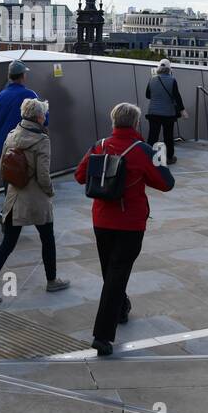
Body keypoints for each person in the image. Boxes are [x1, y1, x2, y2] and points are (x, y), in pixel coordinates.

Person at [73, 102, 175, 357]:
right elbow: (166, 183)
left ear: (113, 121)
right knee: (117, 273)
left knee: (111, 271)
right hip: (130, 223)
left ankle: (121, 307)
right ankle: (102, 335)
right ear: (137, 124)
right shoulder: (143, 150)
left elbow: (79, 175)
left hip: (101, 220)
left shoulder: (100, 145)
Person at [0, 98, 69, 303]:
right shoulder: (42, 140)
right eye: (43, 115)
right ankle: (52, 280)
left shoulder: (11, 135)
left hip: (14, 197)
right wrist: (50, 192)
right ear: (39, 117)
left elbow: (2, 165)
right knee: (48, 239)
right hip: (36, 198)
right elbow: (43, 175)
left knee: (8, 243)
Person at [0, 59, 46, 223]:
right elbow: (44, 120)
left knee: (9, 181)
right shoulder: (29, 95)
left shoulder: (0, 96)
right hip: (26, 148)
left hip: (5, 147)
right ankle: (11, 216)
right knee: (28, 184)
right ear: (23, 76)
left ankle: (9, 217)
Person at [144, 58, 185, 165]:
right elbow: (177, 96)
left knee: (152, 136)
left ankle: (148, 158)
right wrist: (182, 110)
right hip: (168, 113)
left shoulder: (152, 80)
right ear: (169, 69)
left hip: (153, 113)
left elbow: (147, 95)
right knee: (168, 136)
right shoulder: (172, 80)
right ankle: (169, 157)